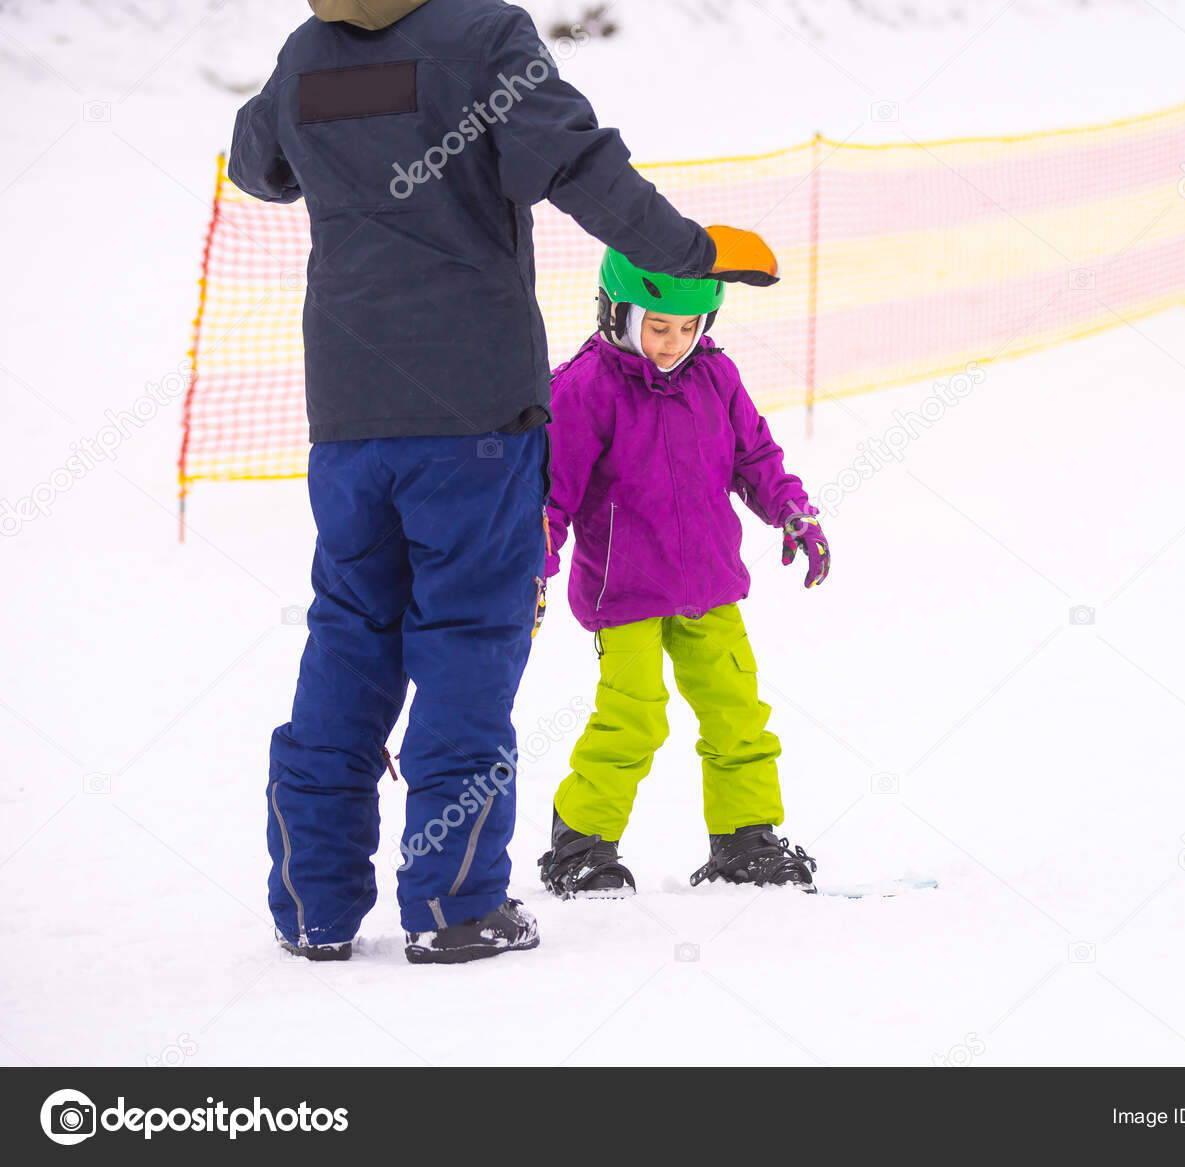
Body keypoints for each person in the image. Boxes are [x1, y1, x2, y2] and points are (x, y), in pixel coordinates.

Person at [229, 0, 780, 964]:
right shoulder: (485, 37)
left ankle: (315, 904)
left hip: (351, 414)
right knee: (466, 651)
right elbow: (576, 162)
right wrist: (684, 254)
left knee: (349, 638)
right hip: (474, 413)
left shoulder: (307, 53)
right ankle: (456, 906)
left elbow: (257, 162)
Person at [536, 250, 829, 899]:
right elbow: (550, 494)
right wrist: (535, 565)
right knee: (634, 716)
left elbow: (754, 455)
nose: (673, 343)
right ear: (618, 314)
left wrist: (791, 509)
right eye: (658, 327)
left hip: (707, 584)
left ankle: (744, 837)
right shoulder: (584, 388)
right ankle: (581, 840)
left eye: (688, 328)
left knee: (737, 711)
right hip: (627, 590)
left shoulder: (715, 375)